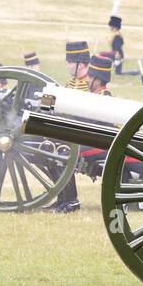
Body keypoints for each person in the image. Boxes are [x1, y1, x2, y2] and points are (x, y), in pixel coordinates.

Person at [45, 41, 94, 215]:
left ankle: (71, 201)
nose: (67, 66)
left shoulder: (90, 84)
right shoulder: (71, 83)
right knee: (46, 151)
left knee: (63, 153)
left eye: (70, 62)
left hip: (88, 136)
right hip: (71, 133)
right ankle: (62, 198)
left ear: (79, 63)